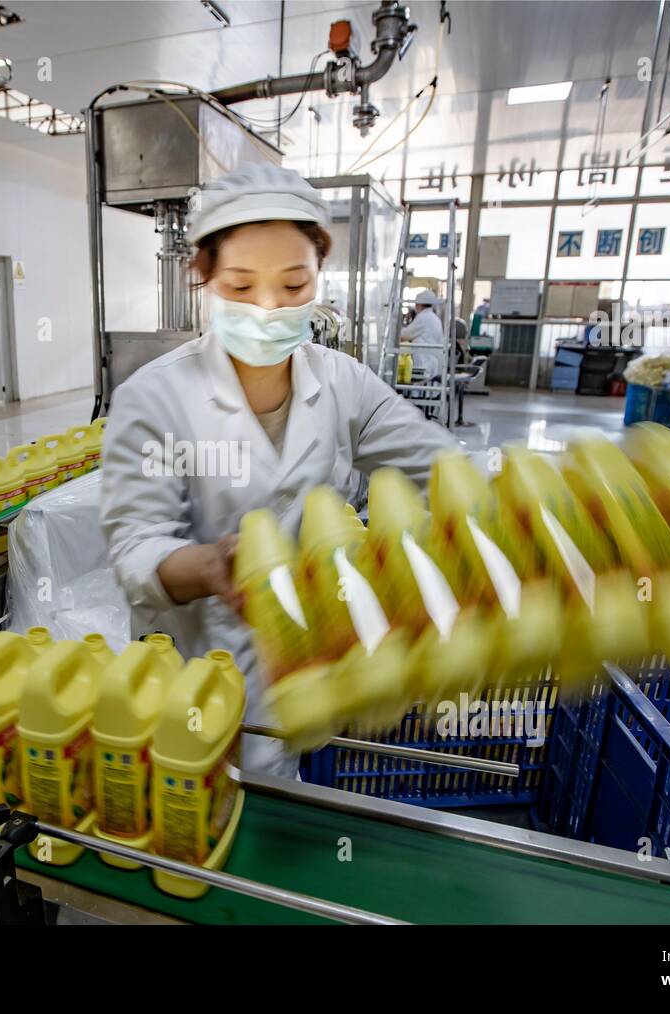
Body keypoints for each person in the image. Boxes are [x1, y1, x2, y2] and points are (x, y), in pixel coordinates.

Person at [98, 165, 456, 778]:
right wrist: (211, 565)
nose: (268, 308)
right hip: (193, 684)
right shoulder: (153, 398)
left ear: (318, 279)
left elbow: (444, 467)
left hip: (309, 674)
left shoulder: (345, 385)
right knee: (199, 826)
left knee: (286, 811)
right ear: (203, 278)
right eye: (240, 286)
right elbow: (135, 551)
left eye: (293, 286)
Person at [402, 288, 446, 380]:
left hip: (425, 362)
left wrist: (396, 330)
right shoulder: (434, 318)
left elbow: (405, 335)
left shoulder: (423, 317)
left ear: (419, 304)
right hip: (432, 361)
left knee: (422, 389)